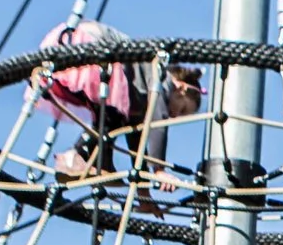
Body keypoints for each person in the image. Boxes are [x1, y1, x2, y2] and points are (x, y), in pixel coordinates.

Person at [39, 21, 202, 197]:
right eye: (183, 109)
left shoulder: (136, 97)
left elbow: (135, 137)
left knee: (113, 117)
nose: (175, 115)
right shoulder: (162, 78)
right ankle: (78, 155)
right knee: (114, 111)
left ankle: (98, 161)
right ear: (182, 88)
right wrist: (159, 170)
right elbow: (158, 121)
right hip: (91, 48)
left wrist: (143, 192)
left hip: (68, 46)